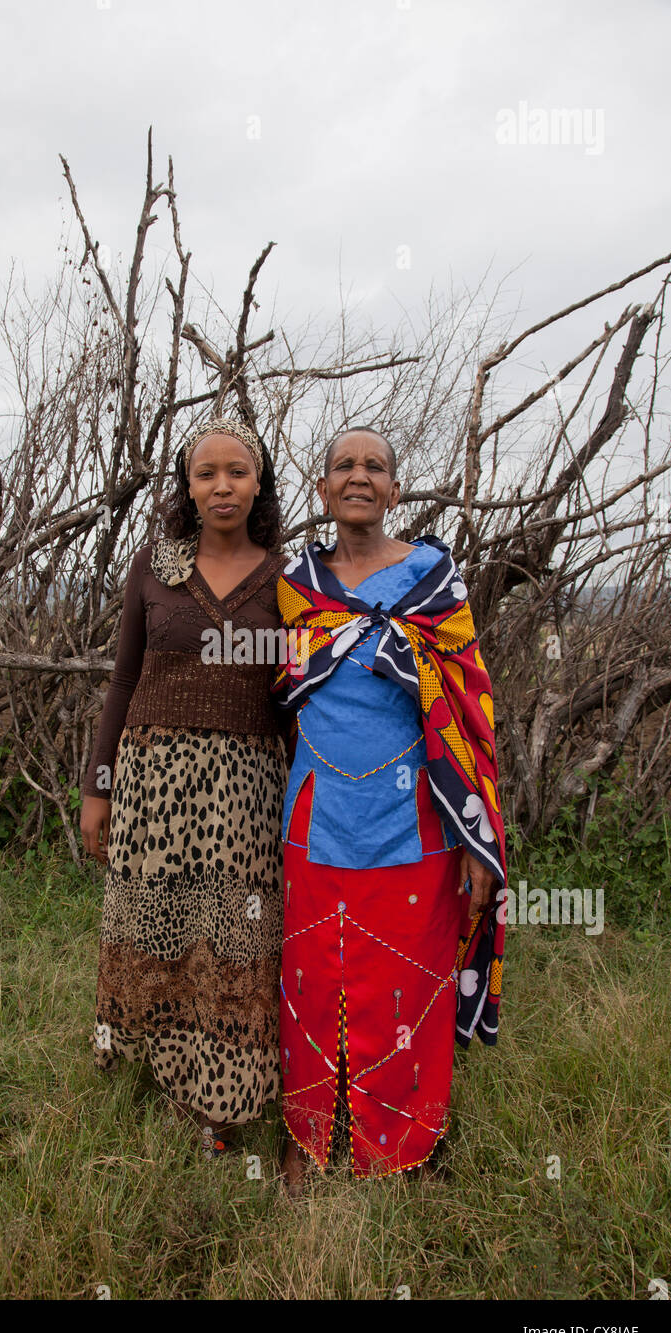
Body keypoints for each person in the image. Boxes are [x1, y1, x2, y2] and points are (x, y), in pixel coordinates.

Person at [273, 427, 507, 1193]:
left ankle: (406, 1144)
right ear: (323, 489)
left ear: (396, 490)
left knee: (408, 979)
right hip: (318, 809)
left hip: (415, 815)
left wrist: (477, 837)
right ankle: (309, 1138)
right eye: (345, 466)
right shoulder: (297, 586)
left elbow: (470, 714)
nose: (360, 476)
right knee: (312, 974)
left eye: (375, 466)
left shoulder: (436, 581)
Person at [80, 417, 290, 1157]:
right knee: (157, 925)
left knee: (235, 936)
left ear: (258, 483)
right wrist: (97, 786)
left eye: (237, 471)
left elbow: (298, 694)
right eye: (207, 474)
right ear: (188, 486)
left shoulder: (287, 577)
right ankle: (166, 1073)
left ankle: (224, 1099)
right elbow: (125, 678)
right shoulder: (155, 565)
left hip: (249, 787)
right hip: (152, 779)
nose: (222, 485)